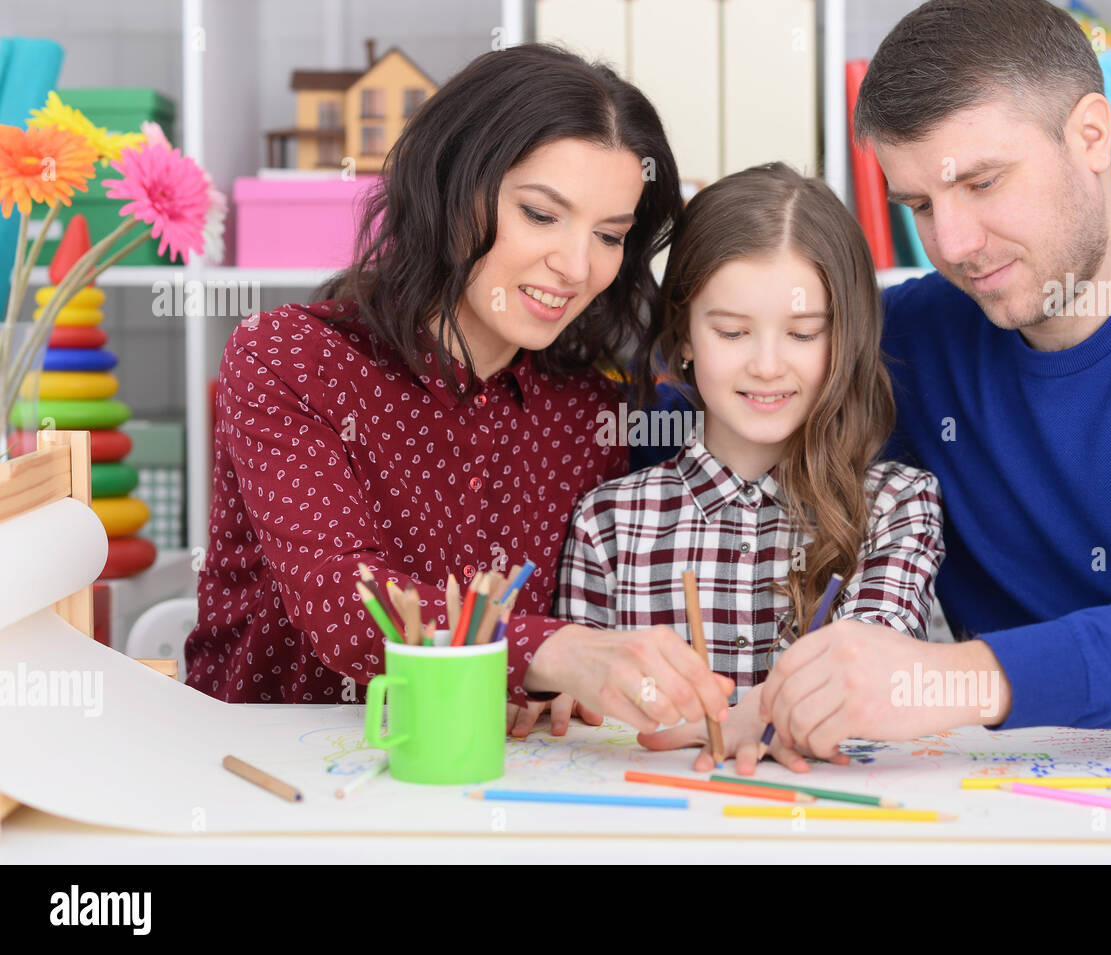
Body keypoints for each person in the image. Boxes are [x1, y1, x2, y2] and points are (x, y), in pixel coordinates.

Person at [759, 0, 1111, 759]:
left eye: (980, 184)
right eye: (919, 204)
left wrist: (949, 682)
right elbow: (698, 413)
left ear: (1091, 136)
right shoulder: (904, 338)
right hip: (1006, 787)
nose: (951, 244)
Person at [186, 43, 733, 734]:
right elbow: (343, 604)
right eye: (541, 213)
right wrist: (557, 651)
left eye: (608, 234)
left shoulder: (589, 409)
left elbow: (541, 646)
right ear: (451, 185)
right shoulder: (289, 359)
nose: (574, 265)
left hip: (476, 783)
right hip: (271, 771)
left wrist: (545, 684)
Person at [553, 163, 944, 773]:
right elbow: (582, 717)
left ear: (845, 339)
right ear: (684, 336)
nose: (766, 365)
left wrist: (766, 710)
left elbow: (879, 646)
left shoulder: (900, 504)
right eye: (733, 332)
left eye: (803, 333)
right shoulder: (608, 523)